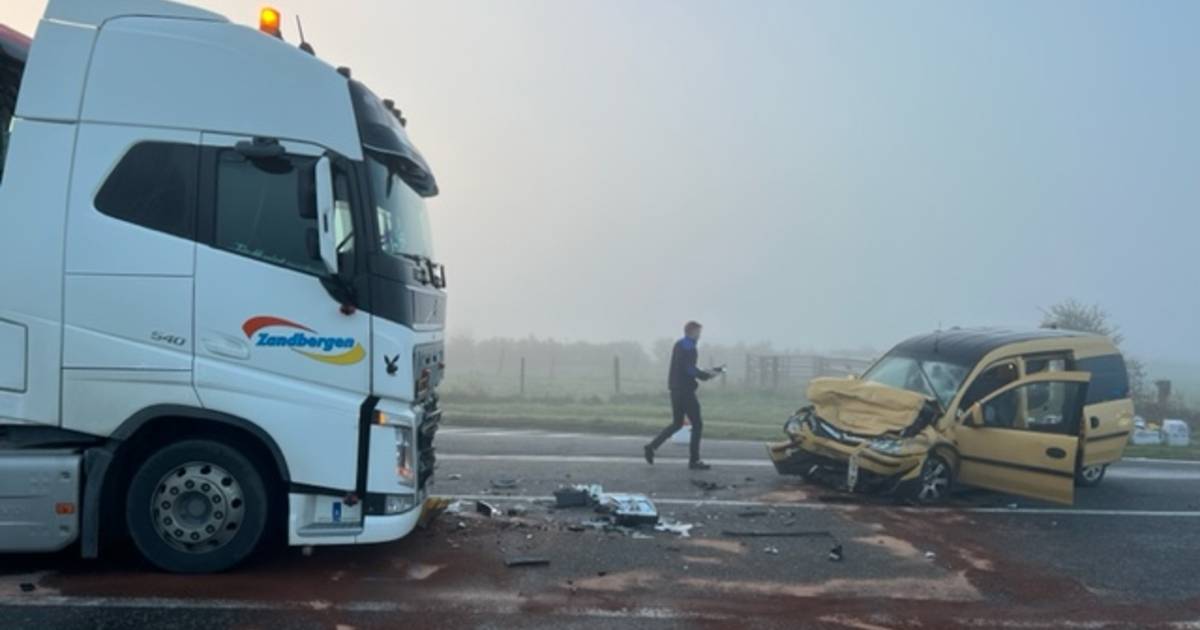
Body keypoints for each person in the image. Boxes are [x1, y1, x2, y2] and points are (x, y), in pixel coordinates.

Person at [644, 321, 721, 470]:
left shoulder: (679, 344)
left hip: (675, 389)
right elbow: (689, 369)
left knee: (677, 423)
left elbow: (687, 366)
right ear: (692, 332)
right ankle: (694, 460)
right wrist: (706, 376)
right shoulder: (690, 346)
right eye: (698, 332)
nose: (700, 335)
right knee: (697, 424)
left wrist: (705, 372)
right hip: (686, 391)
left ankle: (651, 447)